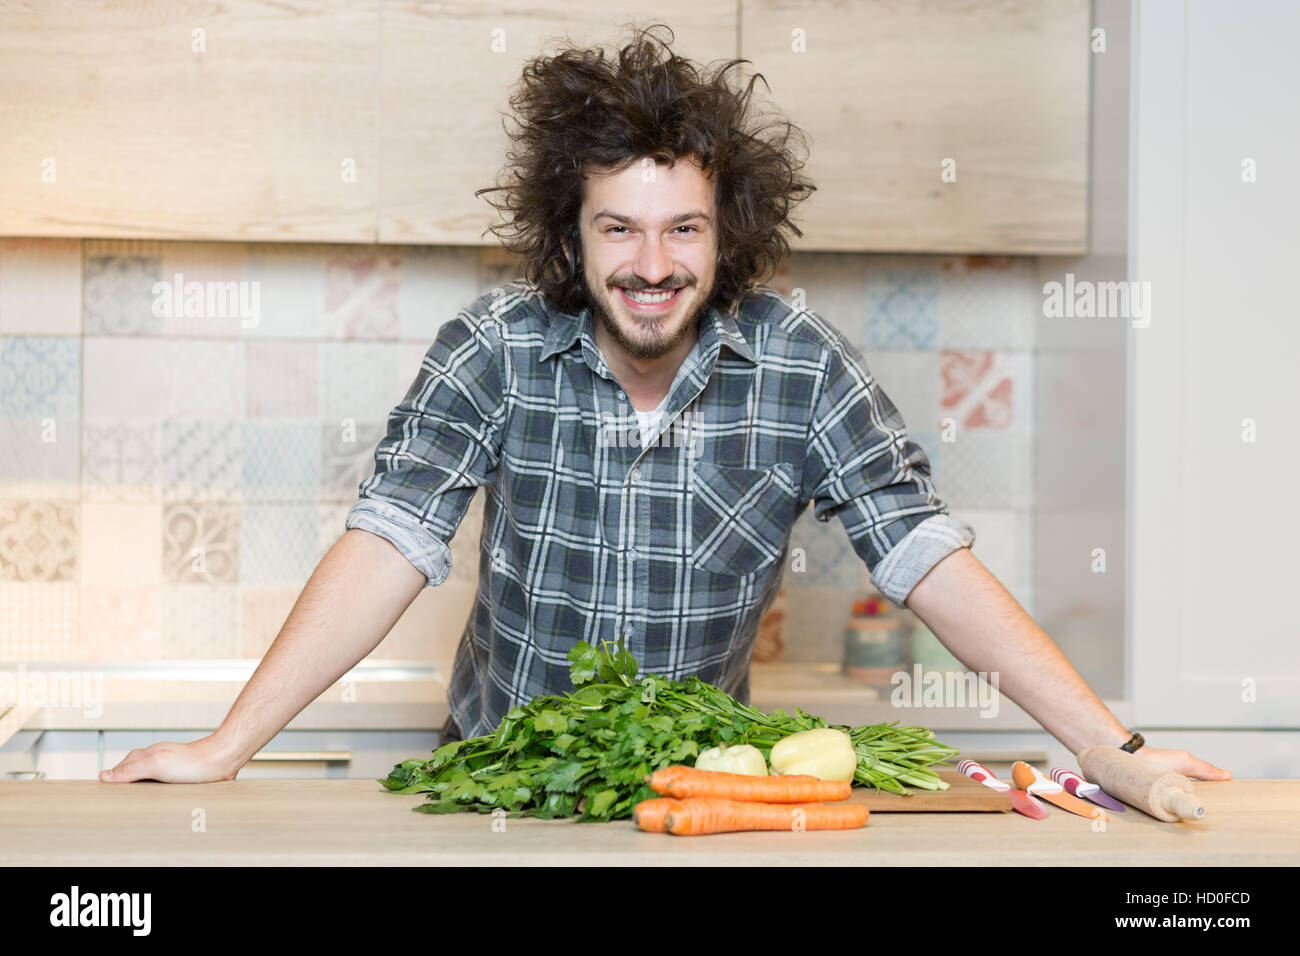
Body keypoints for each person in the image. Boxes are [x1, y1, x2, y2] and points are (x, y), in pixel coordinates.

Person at [102, 23, 1229, 784]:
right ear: (569, 236)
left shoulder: (798, 362)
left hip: (703, 790)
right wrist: (228, 744)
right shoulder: (494, 348)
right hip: (502, 781)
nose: (653, 262)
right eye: (619, 228)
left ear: (727, 232)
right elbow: (392, 539)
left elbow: (923, 553)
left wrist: (1114, 748)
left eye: (683, 227)